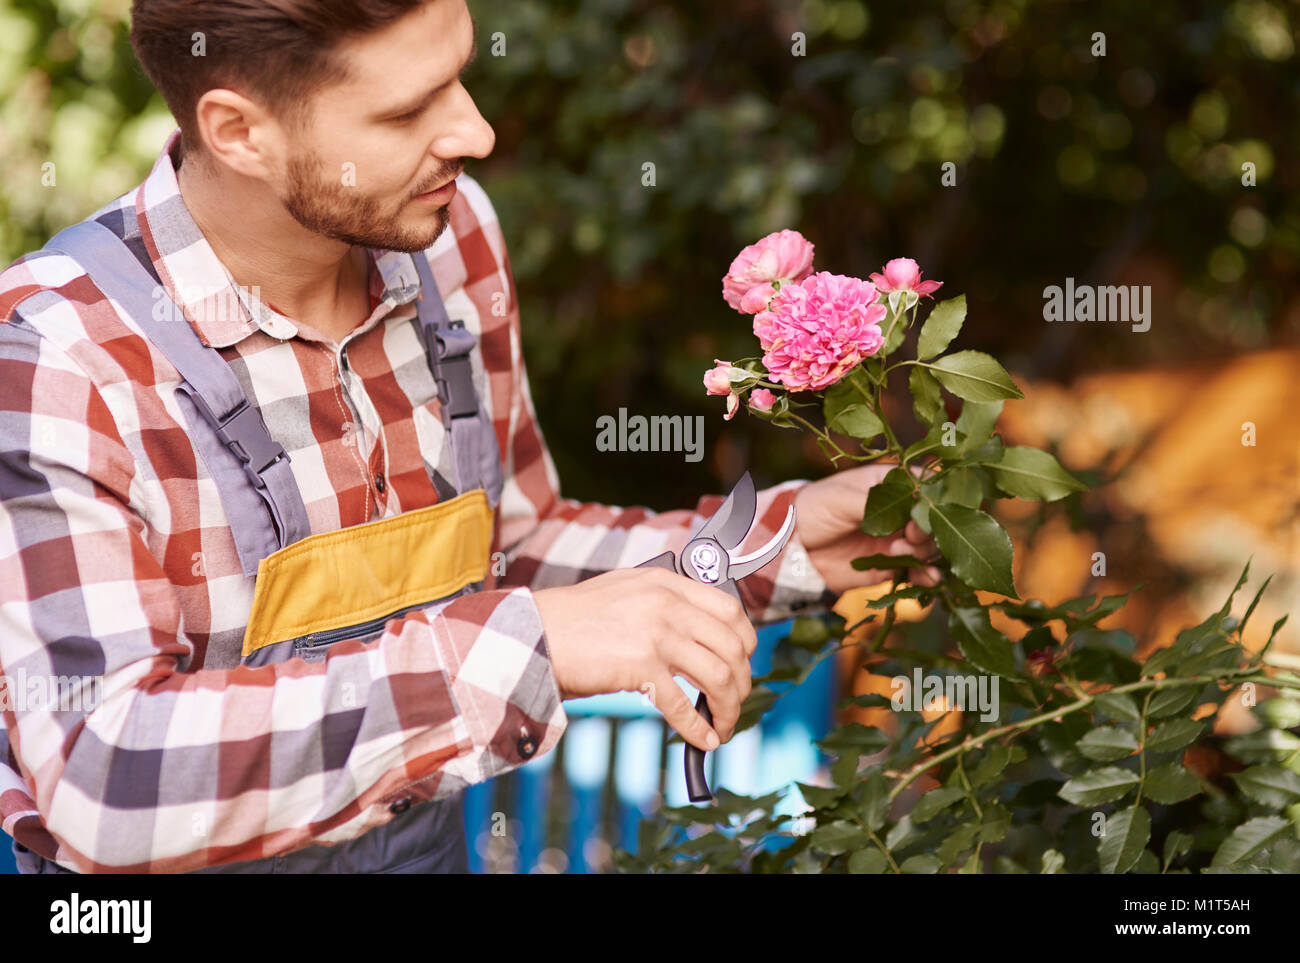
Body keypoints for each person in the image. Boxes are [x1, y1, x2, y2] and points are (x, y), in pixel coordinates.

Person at [0, 0, 938, 874]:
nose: (476, 134)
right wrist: (525, 649)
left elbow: (509, 548)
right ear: (240, 130)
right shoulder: (59, 356)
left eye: (459, 74)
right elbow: (103, 777)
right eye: (408, 111)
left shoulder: (447, 243)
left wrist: (770, 548)